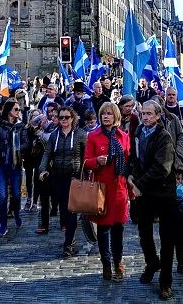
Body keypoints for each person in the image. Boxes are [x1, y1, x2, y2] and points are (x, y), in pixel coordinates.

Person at [128, 100, 178, 301]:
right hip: (143, 192)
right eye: (143, 114)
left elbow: (162, 168)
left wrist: (140, 184)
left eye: (149, 114)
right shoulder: (139, 132)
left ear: (157, 116)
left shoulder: (164, 137)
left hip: (163, 191)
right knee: (144, 232)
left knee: (167, 239)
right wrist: (131, 175)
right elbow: (134, 157)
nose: (146, 117)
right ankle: (152, 262)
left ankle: (166, 281)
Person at [84, 101, 130, 282]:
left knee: (118, 228)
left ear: (115, 116)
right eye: (103, 113)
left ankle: (118, 261)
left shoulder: (123, 136)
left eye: (109, 114)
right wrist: (97, 161)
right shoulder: (93, 136)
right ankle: (106, 263)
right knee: (103, 229)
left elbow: (127, 161)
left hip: (119, 187)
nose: (106, 116)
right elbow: (86, 161)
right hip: (101, 188)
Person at [38, 106, 86, 256]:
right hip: (57, 175)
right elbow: (47, 154)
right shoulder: (54, 135)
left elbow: (86, 157)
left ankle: (68, 243)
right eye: (61, 117)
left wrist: (85, 175)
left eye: (67, 117)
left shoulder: (81, 135)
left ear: (73, 118)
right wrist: (42, 169)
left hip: (73, 176)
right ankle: (68, 237)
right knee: (62, 210)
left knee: (70, 210)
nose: (64, 120)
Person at [0, 98, 28, 237]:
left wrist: (16, 147)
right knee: (2, 196)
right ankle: (3, 225)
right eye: (16, 109)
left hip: (15, 165)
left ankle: (16, 214)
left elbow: (25, 143)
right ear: (9, 111)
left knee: (16, 194)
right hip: (1, 164)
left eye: (19, 110)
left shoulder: (20, 126)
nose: (18, 112)